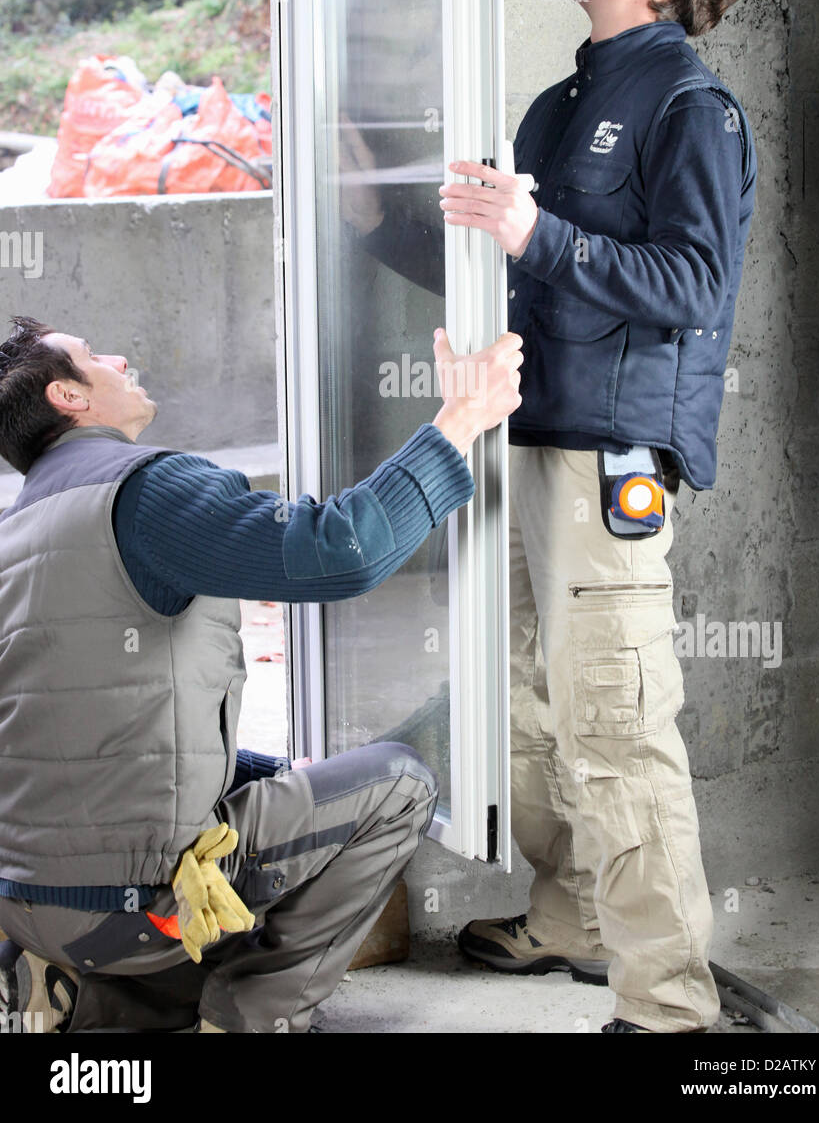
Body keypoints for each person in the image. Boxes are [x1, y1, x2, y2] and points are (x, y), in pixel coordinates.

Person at [344, 0, 757, 1033]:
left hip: (602, 456)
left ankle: (670, 1007)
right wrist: (374, 216)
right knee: (525, 705)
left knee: (614, 729)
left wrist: (538, 230)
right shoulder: (559, 103)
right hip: (525, 432)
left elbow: (690, 285)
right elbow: (519, 272)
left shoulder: (691, 106)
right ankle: (572, 916)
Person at [0, 315, 522, 1033]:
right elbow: (340, 548)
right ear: (68, 396)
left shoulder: (17, 531)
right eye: (95, 356)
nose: (120, 355)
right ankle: (247, 1017)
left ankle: (90, 995)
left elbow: (89, 730)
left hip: (26, 904)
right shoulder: (147, 490)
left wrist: (267, 773)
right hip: (142, 905)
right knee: (401, 786)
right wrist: (462, 417)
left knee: (233, 804)